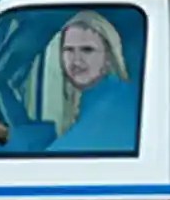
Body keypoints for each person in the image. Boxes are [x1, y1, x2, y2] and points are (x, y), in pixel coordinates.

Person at [46, 10, 139, 153]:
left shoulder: (117, 102)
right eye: (69, 50)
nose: (76, 60)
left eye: (87, 50)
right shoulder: (94, 98)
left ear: (108, 57)